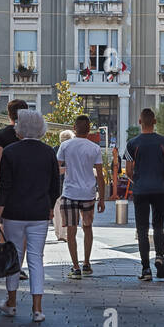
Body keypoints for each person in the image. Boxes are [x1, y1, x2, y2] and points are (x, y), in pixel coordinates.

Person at [0, 109, 60, 323]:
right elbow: (55, 185)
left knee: (14, 259)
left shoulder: (10, 152)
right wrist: (50, 206)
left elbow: (4, 187)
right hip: (39, 213)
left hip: (14, 213)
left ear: (21, 128)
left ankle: (11, 303)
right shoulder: (48, 152)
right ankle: (37, 309)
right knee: (35, 259)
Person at [125, 108, 164, 282]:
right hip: (159, 189)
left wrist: (137, 179)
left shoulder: (132, 144)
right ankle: (160, 256)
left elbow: (129, 170)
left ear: (140, 122)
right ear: (154, 122)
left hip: (140, 190)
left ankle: (146, 268)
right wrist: (163, 177)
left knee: (142, 229)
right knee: (158, 225)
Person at [56, 115, 106, 278]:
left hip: (70, 192)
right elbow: (100, 175)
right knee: (87, 227)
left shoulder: (65, 145)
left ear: (74, 128)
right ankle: (86, 263)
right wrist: (102, 198)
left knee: (71, 230)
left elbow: (56, 168)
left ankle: (75, 267)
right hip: (88, 193)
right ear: (89, 128)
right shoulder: (94, 148)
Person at [0, 99, 29, 280]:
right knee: (22, 231)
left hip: (7, 187)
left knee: (3, 227)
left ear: (9, 114)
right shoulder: (32, 134)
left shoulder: (2, 134)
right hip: (27, 187)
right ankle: (18, 266)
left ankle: (6, 265)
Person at [52, 130, 72, 242]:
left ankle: (59, 233)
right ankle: (63, 234)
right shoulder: (72, 151)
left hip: (57, 185)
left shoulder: (54, 150)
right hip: (67, 185)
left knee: (57, 211)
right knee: (65, 210)